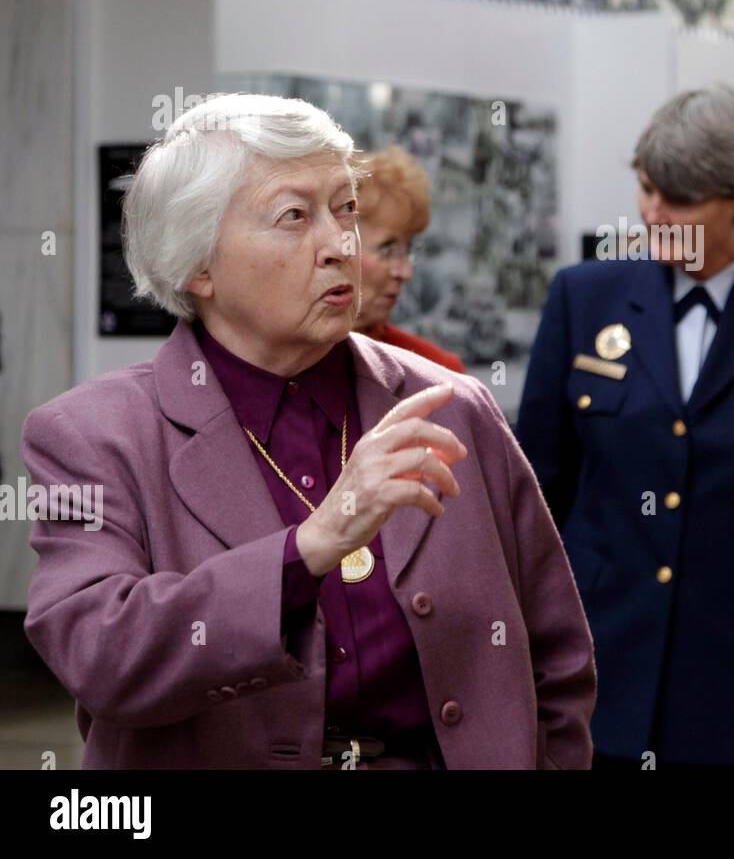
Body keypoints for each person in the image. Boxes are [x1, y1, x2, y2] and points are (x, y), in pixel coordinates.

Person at [21, 94, 594, 769]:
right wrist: (310, 548)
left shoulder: (451, 405)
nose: (339, 244)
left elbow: (558, 657)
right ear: (197, 264)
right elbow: (103, 655)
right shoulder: (91, 434)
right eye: (294, 216)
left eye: (345, 208)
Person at [515, 85, 734, 768]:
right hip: (595, 668)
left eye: (676, 199)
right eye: (646, 188)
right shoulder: (584, 297)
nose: (652, 213)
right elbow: (535, 495)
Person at [352, 144, 466, 374]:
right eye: (388, 249)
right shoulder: (284, 365)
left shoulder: (436, 374)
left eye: (408, 249)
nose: (406, 273)